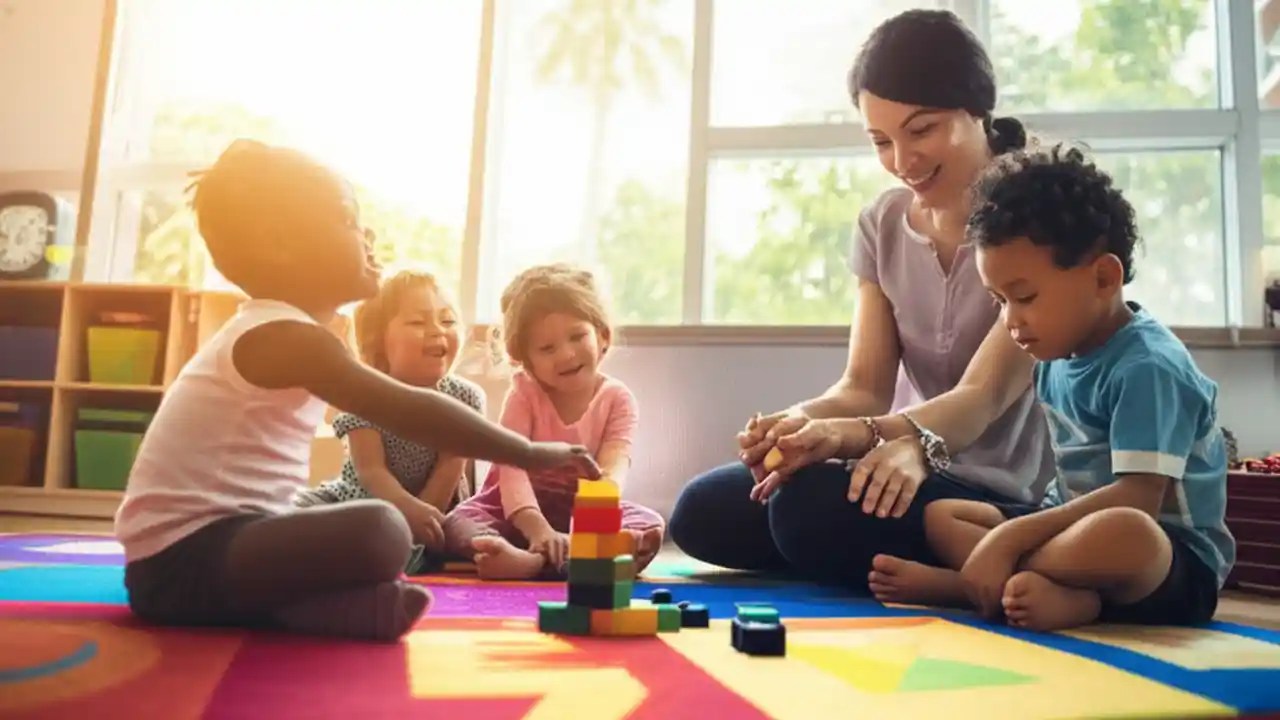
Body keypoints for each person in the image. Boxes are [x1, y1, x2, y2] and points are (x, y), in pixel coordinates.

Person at [114, 140, 599, 642]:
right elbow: (409, 409)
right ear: (279, 245)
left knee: (367, 529)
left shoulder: (293, 333)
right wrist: (528, 452)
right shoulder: (283, 337)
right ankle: (298, 609)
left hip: (211, 556)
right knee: (382, 529)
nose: (368, 235)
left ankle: (309, 611)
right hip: (182, 564)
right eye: (348, 219)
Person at [669, 8, 1058, 588]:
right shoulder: (883, 223)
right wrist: (798, 425)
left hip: (991, 483)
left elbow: (983, 396)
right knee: (704, 511)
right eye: (881, 141)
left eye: (921, 130)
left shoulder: (1036, 218)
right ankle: (852, 547)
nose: (903, 161)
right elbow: (864, 387)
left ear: (976, 109)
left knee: (805, 510)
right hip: (891, 451)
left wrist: (857, 437)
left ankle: (989, 545)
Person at [873, 144, 1234, 631]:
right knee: (944, 515)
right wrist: (1013, 533)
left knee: (1126, 532)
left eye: (1024, 297)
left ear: (1103, 278)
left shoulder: (1148, 366)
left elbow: (1138, 499)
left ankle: (973, 585)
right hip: (1068, 529)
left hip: (1169, 562)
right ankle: (1046, 590)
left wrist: (1009, 539)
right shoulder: (1053, 356)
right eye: (999, 301)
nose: (1010, 320)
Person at [442, 264, 665, 580]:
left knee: (649, 524)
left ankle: (542, 561)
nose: (566, 355)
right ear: (525, 360)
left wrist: (589, 529)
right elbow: (511, 473)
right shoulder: (524, 394)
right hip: (512, 512)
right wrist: (537, 529)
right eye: (547, 348)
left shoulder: (618, 399)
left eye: (577, 336)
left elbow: (612, 471)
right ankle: (558, 559)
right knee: (458, 522)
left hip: (582, 513)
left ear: (602, 336)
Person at [293, 269, 485, 562]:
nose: (437, 330)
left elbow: (451, 468)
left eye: (447, 321)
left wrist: (419, 520)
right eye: (418, 322)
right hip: (360, 502)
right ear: (378, 339)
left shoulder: (465, 398)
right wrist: (405, 509)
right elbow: (371, 471)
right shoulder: (366, 394)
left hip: (434, 509)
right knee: (287, 511)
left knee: (425, 541)